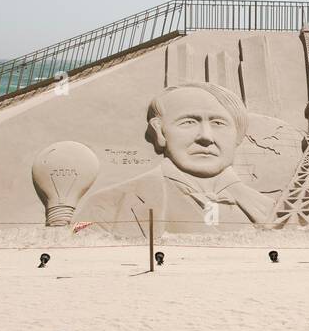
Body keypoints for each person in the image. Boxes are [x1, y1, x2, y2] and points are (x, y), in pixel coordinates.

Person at [83, 82, 275, 234]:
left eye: (218, 123)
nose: (206, 137)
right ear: (160, 131)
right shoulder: (107, 205)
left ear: (238, 135)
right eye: (188, 122)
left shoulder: (268, 208)